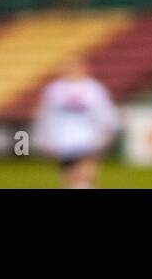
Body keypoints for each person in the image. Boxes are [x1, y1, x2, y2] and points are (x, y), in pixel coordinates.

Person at [34, 58, 119, 188]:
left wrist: (107, 132)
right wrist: (44, 139)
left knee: (86, 175)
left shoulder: (94, 88)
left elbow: (104, 112)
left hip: (89, 140)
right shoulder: (53, 89)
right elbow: (45, 115)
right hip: (62, 142)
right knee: (68, 178)